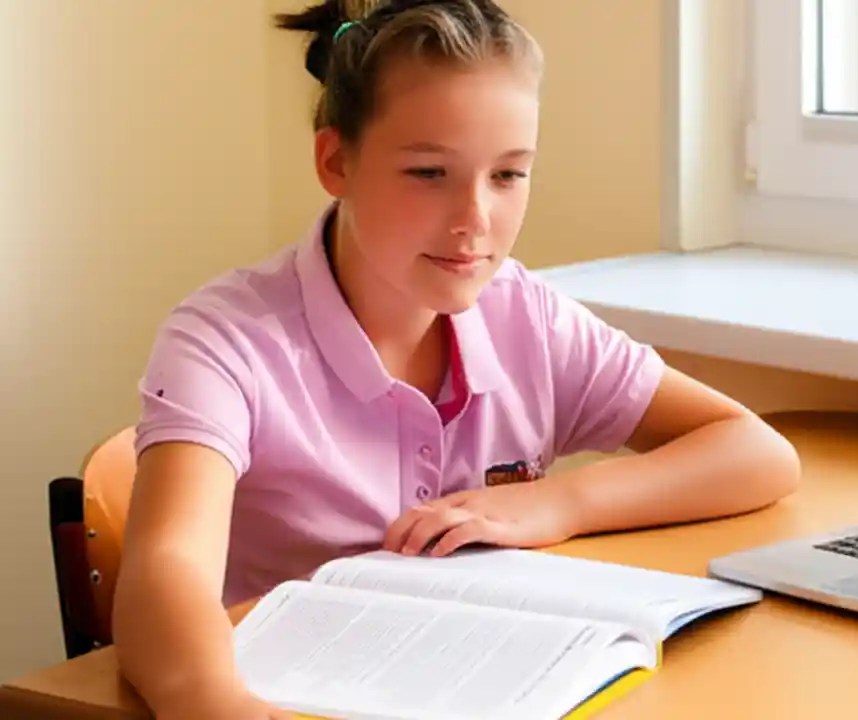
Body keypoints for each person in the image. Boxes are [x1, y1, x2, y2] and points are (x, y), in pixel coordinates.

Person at [112, 1, 801, 717]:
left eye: (508, 175)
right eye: (428, 173)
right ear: (335, 161)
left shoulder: (525, 316)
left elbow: (756, 453)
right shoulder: (225, 341)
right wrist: (216, 703)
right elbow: (166, 573)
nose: (475, 218)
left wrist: (557, 503)